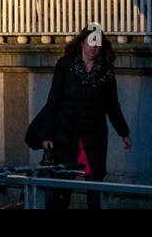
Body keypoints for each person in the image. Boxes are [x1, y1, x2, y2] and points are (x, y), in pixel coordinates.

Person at [37, 23, 131, 209]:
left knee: (94, 183)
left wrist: (124, 132)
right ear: (82, 43)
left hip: (93, 136)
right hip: (66, 134)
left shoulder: (106, 71)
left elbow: (112, 105)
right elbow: (53, 100)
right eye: (91, 42)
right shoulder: (65, 65)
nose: (94, 47)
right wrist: (46, 134)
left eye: (98, 43)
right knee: (63, 185)